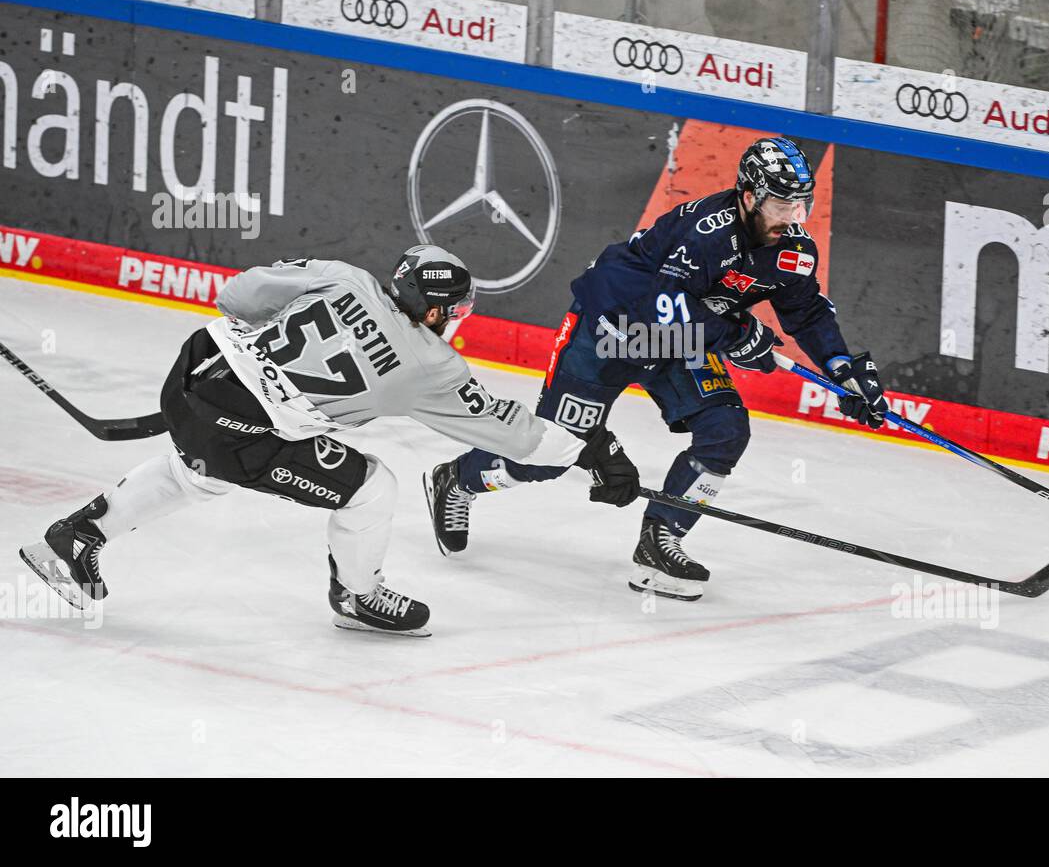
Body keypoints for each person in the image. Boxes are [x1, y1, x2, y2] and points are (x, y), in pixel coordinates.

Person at [19, 246, 640, 636]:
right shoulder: (431, 367)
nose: (455, 322)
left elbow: (237, 295)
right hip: (240, 430)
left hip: (196, 371)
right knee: (371, 488)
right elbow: (518, 435)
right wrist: (591, 450)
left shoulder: (347, 277)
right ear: (434, 312)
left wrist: (265, 363)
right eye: (454, 312)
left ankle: (74, 537)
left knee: (199, 471)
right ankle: (358, 595)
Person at [426, 137, 887, 601]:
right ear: (750, 197)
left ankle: (660, 542)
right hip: (608, 332)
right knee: (553, 453)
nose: (793, 218)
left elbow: (807, 312)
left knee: (725, 429)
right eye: (782, 206)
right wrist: (738, 335)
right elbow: (664, 305)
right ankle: (458, 478)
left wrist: (841, 369)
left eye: (801, 205)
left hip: (678, 343)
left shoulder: (793, 248)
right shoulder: (708, 231)